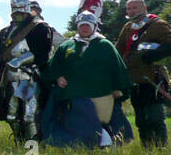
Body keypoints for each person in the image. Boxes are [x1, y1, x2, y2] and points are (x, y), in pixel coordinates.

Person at [43, 11, 132, 147]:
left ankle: (107, 145)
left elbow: (118, 69)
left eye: (87, 25)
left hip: (101, 94)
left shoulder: (105, 46)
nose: (84, 28)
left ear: (94, 26)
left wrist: (118, 89)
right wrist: (58, 77)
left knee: (106, 123)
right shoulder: (67, 46)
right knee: (78, 125)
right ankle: (83, 146)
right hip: (74, 95)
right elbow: (53, 66)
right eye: (82, 25)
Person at [115, 0, 171, 148]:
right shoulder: (128, 27)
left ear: (144, 7)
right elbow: (118, 50)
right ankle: (147, 150)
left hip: (153, 78)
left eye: (134, 7)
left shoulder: (158, 24)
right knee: (141, 120)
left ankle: (161, 150)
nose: (131, 11)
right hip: (134, 80)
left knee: (155, 118)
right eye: (129, 9)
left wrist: (152, 56)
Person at [0, 0, 62, 143]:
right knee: (11, 116)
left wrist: (19, 61)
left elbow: (41, 53)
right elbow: (2, 59)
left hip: (30, 76)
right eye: (15, 8)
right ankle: (19, 142)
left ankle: (33, 147)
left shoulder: (39, 27)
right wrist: (0, 80)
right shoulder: (5, 32)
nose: (17, 12)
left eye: (20, 8)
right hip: (11, 77)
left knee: (29, 116)